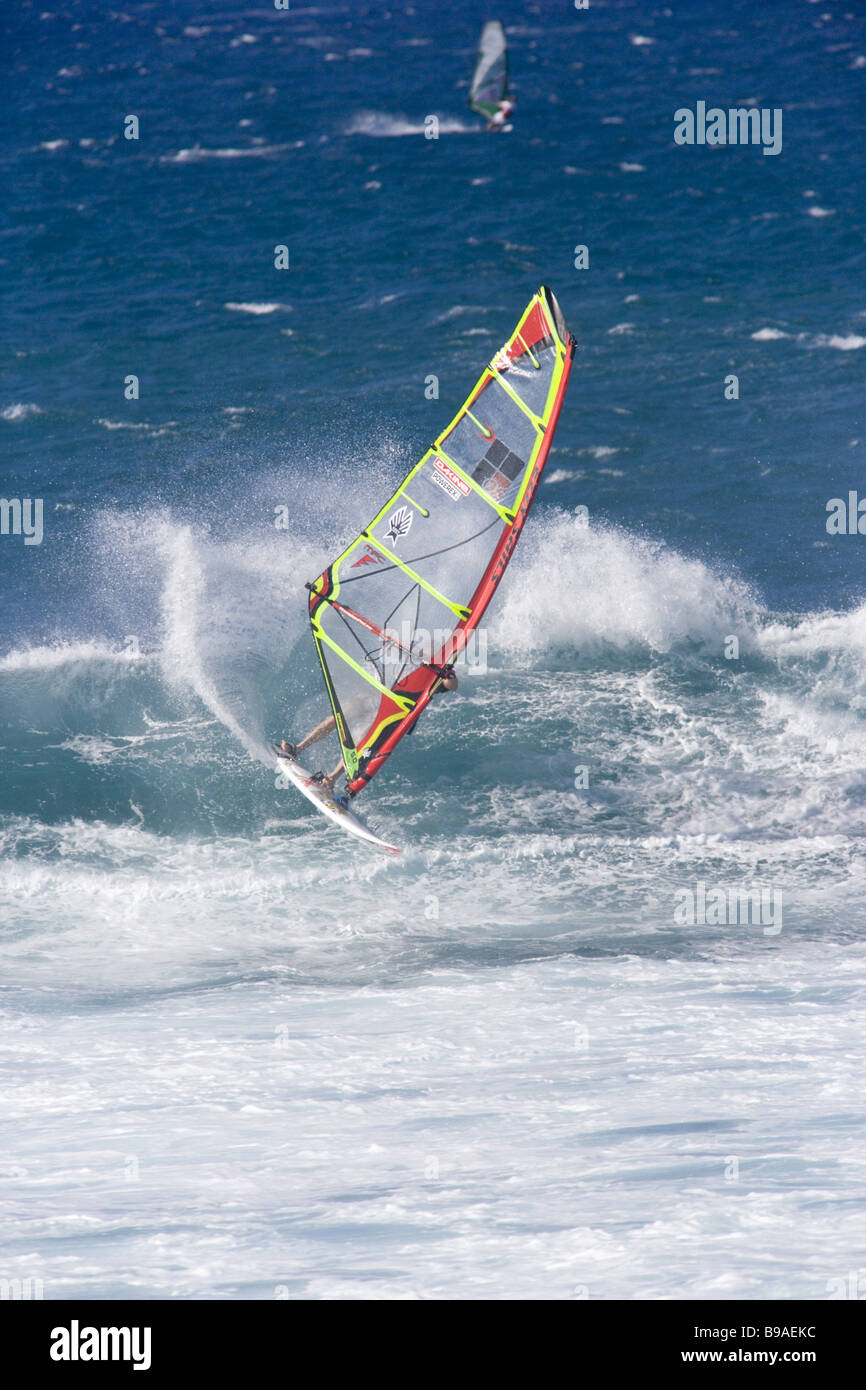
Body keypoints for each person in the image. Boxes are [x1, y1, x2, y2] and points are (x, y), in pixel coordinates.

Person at [281, 666, 459, 794]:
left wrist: (447, 674)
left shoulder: (439, 666)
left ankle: (331, 779)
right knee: (337, 719)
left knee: (361, 740)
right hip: (374, 694)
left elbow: (452, 685)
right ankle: (297, 748)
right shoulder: (410, 646)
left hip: (395, 711)